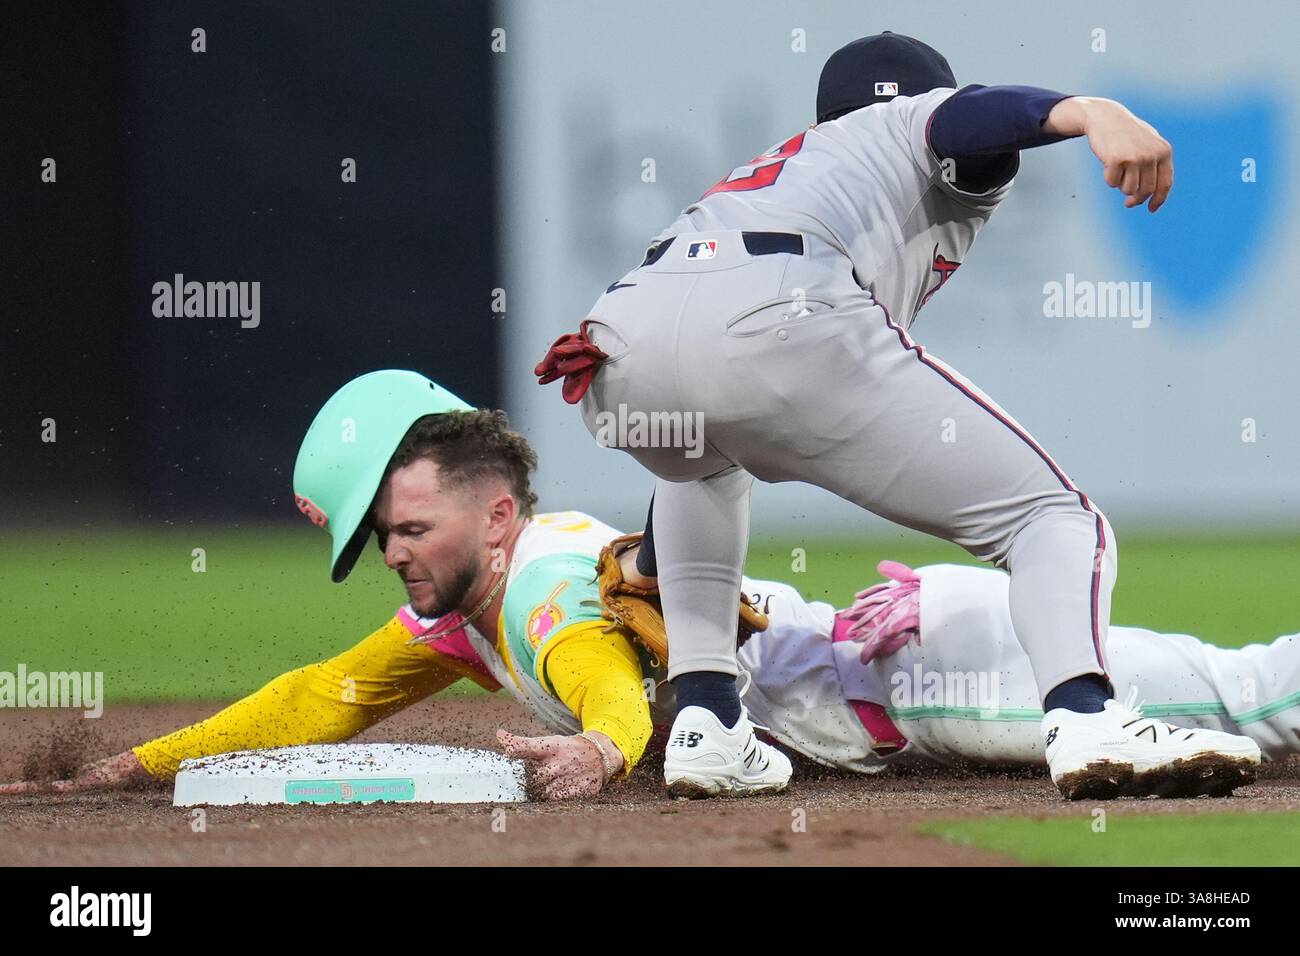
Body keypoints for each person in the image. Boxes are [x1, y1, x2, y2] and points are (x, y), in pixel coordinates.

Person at [535, 31, 1259, 799]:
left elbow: (699, 357)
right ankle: (1088, 719)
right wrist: (1091, 110)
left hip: (616, 349)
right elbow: (971, 120)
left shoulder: (783, 167)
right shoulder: (913, 129)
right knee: (1054, 519)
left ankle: (708, 720)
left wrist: (653, 562)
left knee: (706, 464)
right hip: (778, 314)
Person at [2, 372, 1281, 801]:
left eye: (403, 525)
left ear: (490, 512)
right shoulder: (472, 608)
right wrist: (151, 761)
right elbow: (326, 695)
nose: (391, 554)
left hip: (931, 681)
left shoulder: (545, 580)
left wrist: (607, 753)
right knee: (1243, 692)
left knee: (1250, 704)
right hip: (904, 658)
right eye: (374, 541)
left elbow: (599, 674)